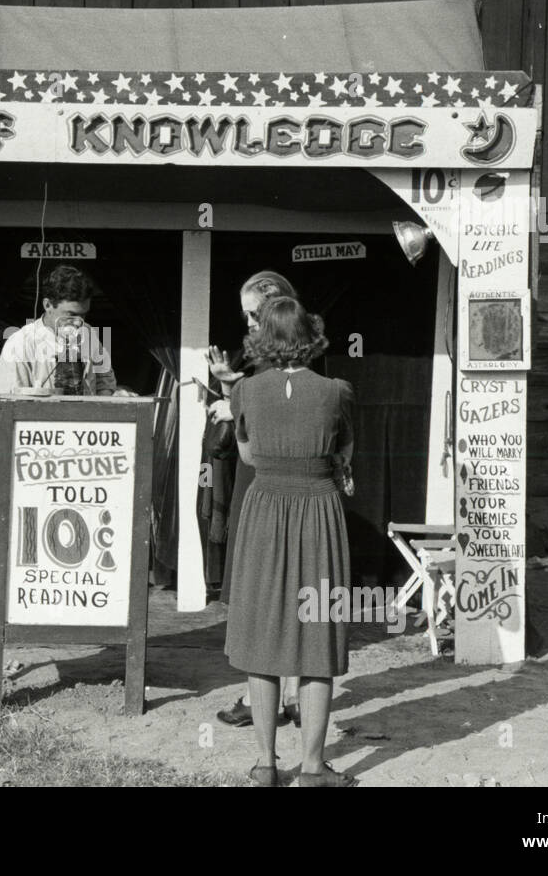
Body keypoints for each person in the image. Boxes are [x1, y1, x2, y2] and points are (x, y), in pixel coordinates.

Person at [225, 295, 357, 786]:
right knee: (317, 635)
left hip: (264, 512)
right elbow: (344, 453)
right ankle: (313, 769)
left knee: (262, 636)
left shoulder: (245, 392)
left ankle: (265, 766)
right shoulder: (337, 391)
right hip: (319, 512)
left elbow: (248, 456)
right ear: (311, 339)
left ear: (263, 341)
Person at [208, 271, 302, 730]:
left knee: (266, 590)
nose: (246, 323)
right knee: (286, 589)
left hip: (268, 483)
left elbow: (276, 422)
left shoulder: (284, 367)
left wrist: (236, 403)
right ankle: (291, 695)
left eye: (252, 313)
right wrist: (231, 387)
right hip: (284, 485)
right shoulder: (273, 363)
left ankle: (263, 698)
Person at [0, 264, 120, 396]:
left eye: (83, 314)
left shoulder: (88, 333)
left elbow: (104, 380)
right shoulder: (19, 345)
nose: (79, 322)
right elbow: (12, 403)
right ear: (48, 305)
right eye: (71, 314)